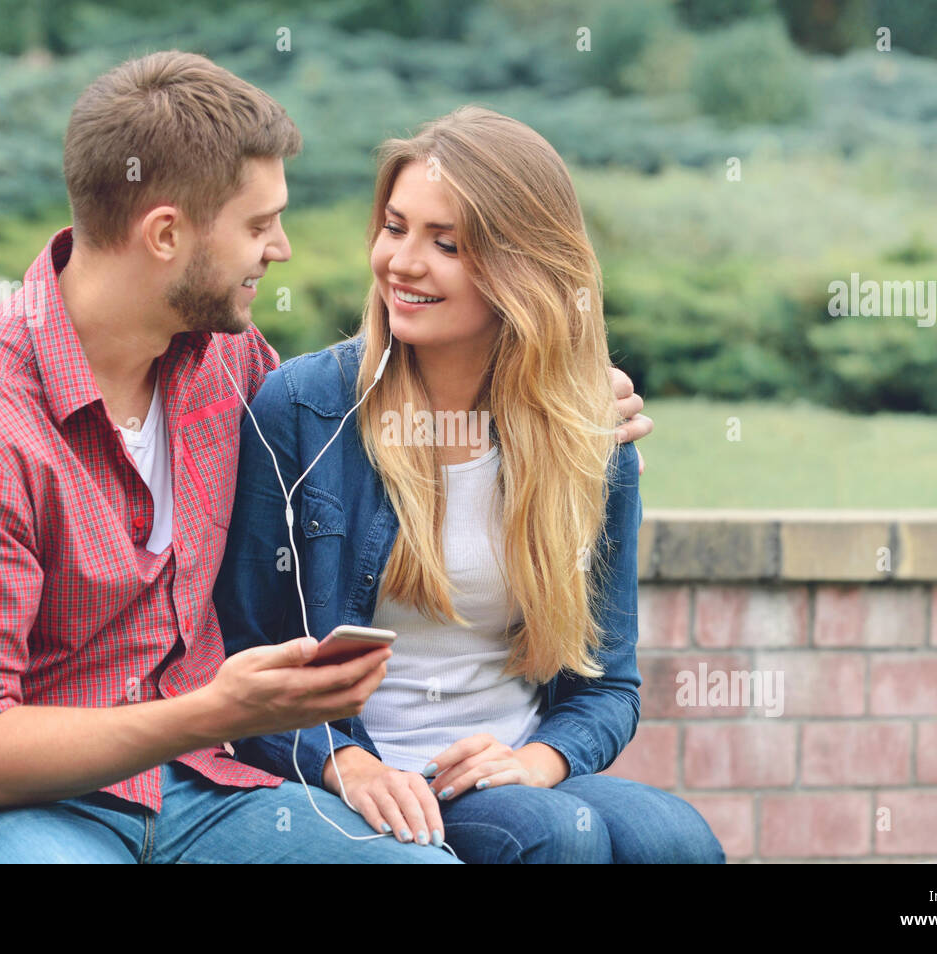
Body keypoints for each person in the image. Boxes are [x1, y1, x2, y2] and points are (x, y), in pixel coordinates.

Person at [0, 51, 651, 864]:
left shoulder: (225, 367)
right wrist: (213, 713)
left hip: (201, 791)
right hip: (15, 814)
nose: (284, 249)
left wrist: (558, 398)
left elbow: (358, 398)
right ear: (167, 235)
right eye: (259, 226)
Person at [214, 106, 724, 864]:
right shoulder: (304, 411)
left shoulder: (591, 431)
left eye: (445, 243)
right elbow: (245, 645)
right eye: (395, 228)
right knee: (555, 835)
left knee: (674, 839)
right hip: (369, 770)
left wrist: (533, 763)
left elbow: (607, 688)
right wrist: (343, 761)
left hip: (512, 762)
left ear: (524, 267)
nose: (403, 263)